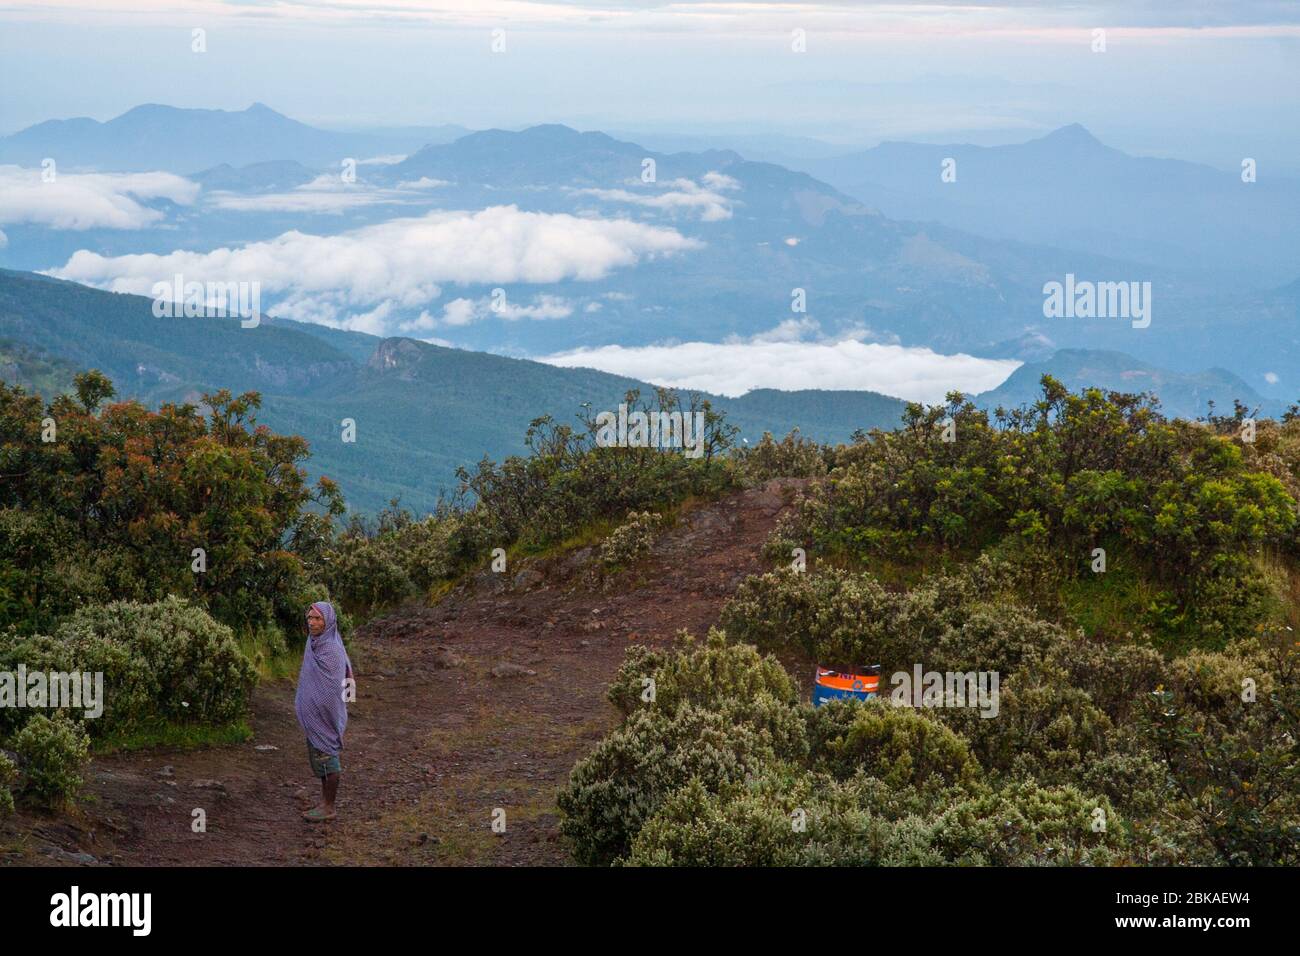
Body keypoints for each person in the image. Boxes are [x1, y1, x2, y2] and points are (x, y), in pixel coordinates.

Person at [295, 601, 353, 822]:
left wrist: (323, 712)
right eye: (310, 618)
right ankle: (324, 803)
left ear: (328, 621)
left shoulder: (332, 649)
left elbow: (332, 688)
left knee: (328, 756)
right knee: (320, 758)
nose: (312, 622)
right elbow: (309, 677)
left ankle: (329, 807)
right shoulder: (313, 642)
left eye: (318, 618)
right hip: (314, 715)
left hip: (326, 716)